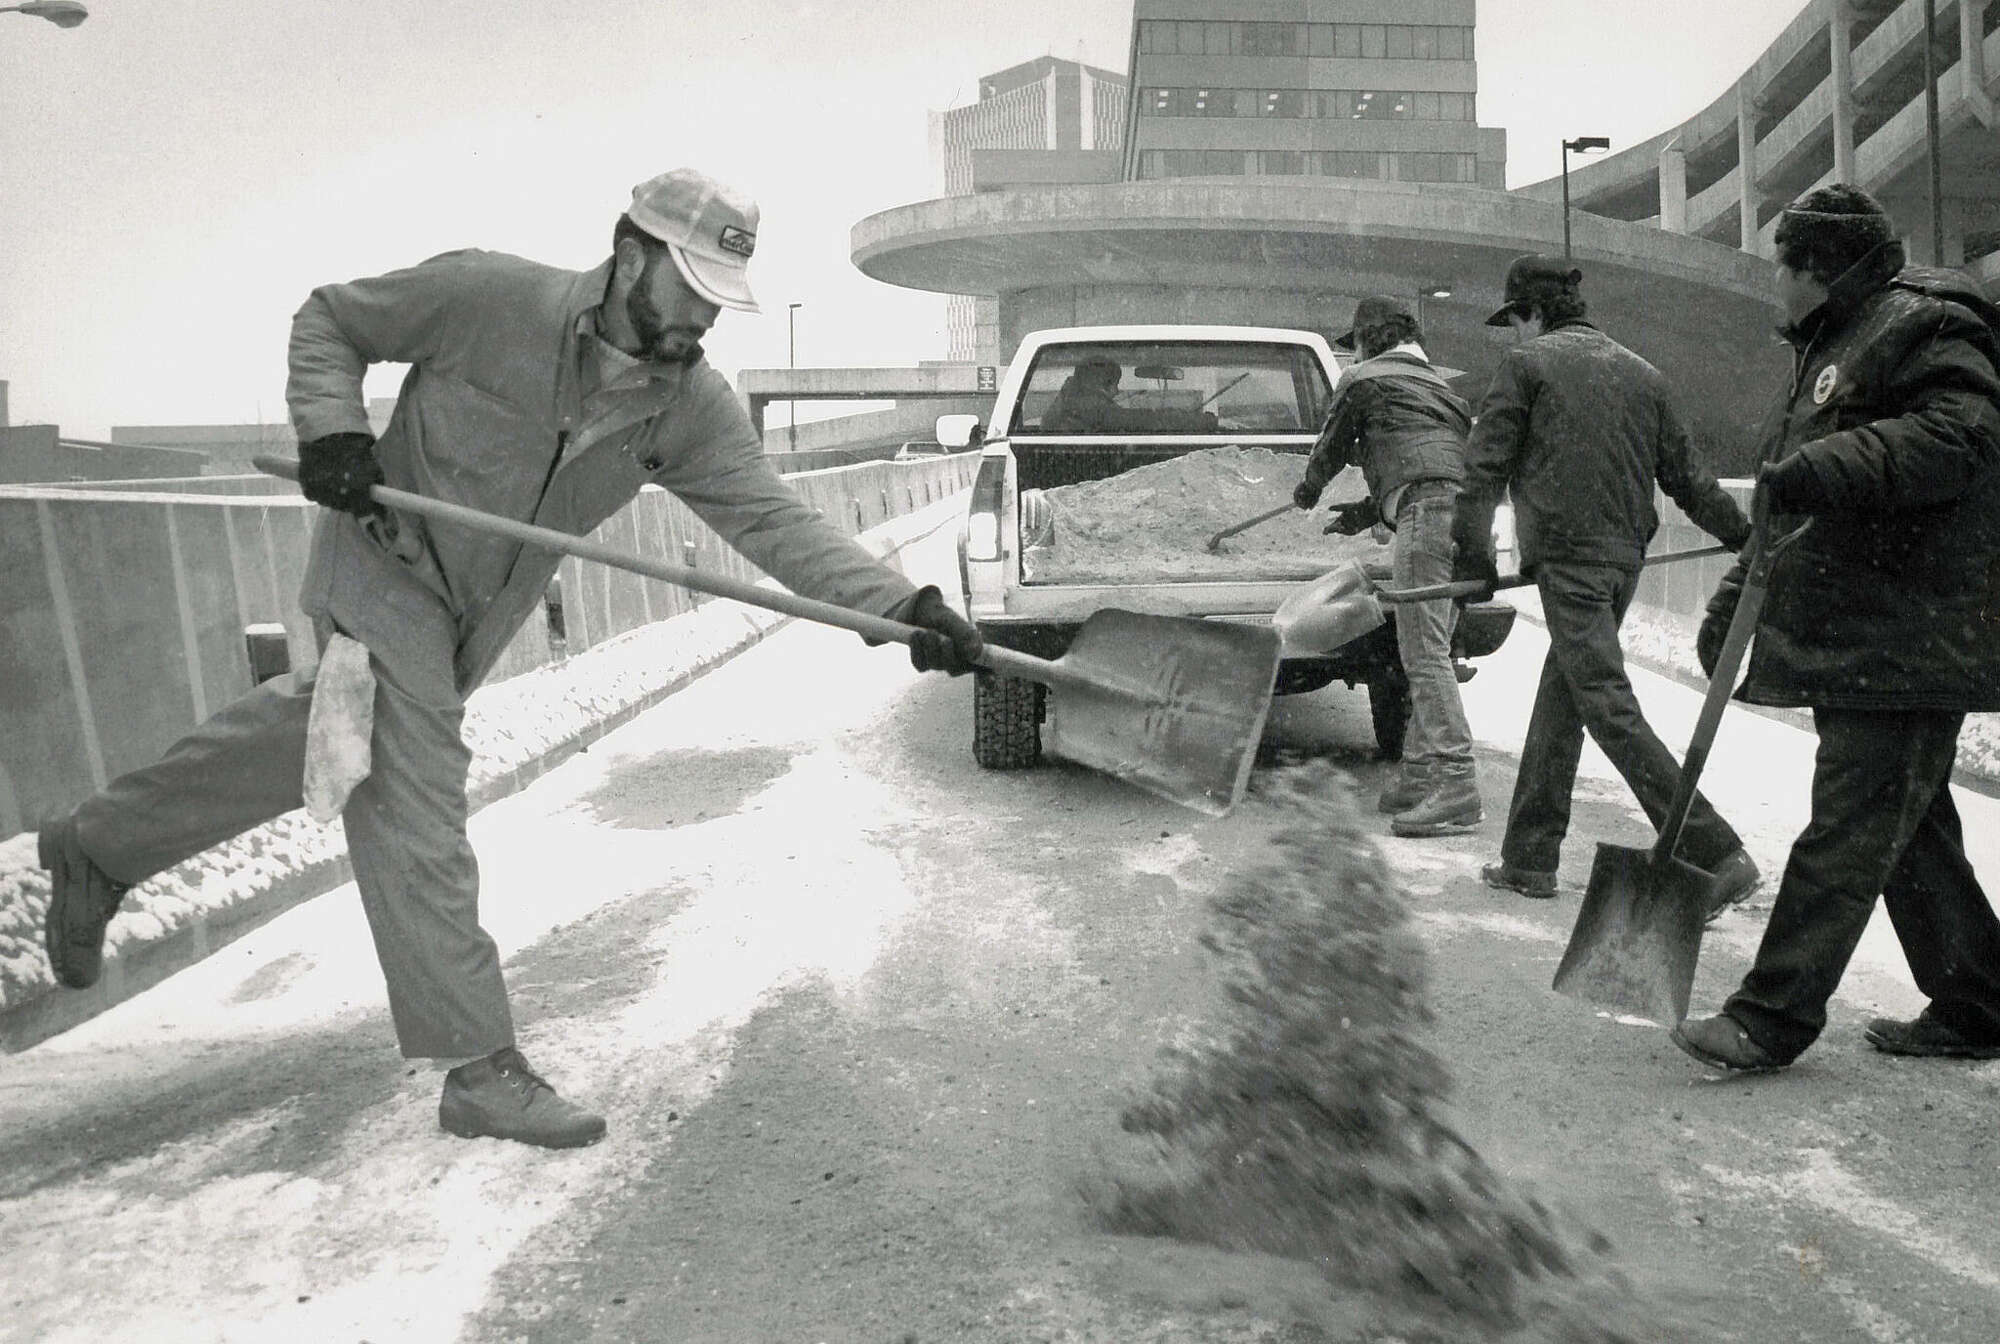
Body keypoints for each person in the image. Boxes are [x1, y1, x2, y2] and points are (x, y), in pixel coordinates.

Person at [36, 168, 984, 1149]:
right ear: (630, 257)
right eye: (689, 289)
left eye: (716, 299)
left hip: (468, 619)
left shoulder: (687, 408)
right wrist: (334, 431)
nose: (701, 318)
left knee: (319, 741)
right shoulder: (490, 298)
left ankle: (99, 844)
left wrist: (903, 606)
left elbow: (775, 521)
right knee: (414, 784)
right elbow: (329, 321)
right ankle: (477, 1066)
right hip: (381, 565)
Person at [1673, 185, 2000, 1074]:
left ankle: (1770, 1018)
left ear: (1814, 268)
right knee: (1908, 833)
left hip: (1910, 637)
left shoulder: (1926, 328)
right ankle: (1980, 1000)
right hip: (1872, 633)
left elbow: (1962, 439)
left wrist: (1829, 462)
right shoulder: (1836, 341)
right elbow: (1790, 501)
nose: (1772, 283)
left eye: (1779, 266)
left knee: (1848, 831)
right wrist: (1734, 600)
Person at [1449, 255, 1757, 908]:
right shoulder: (1642, 373)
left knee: (1607, 707)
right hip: (1621, 563)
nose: (1513, 335)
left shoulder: (1526, 367)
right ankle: (1529, 859)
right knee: (1567, 695)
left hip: (1570, 561)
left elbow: (1483, 473)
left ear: (1532, 312)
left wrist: (1470, 566)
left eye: (1515, 321)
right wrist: (1746, 539)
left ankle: (1713, 850)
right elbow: (1691, 482)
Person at [1294, 294, 1481, 835]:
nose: (1353, 357)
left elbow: (1331, 445)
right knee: (1433, 648)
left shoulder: (1364, 379)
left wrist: (1308, 489)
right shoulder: (1443, 389)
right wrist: (1365, 513)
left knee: (1423, 655)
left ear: (1369, 339)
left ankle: (1455, 783)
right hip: (1464, 517)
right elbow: (1428, 459)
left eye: (1355, 346)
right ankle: (1422, 773)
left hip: (1427, 515)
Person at [1041, 355, 1217, 434]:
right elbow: (1148, 421)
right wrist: (1202, 421)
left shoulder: (1067, 404)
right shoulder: (1093, 410)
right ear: (1102, 383)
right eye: (1115, 385)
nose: (1117, 392)